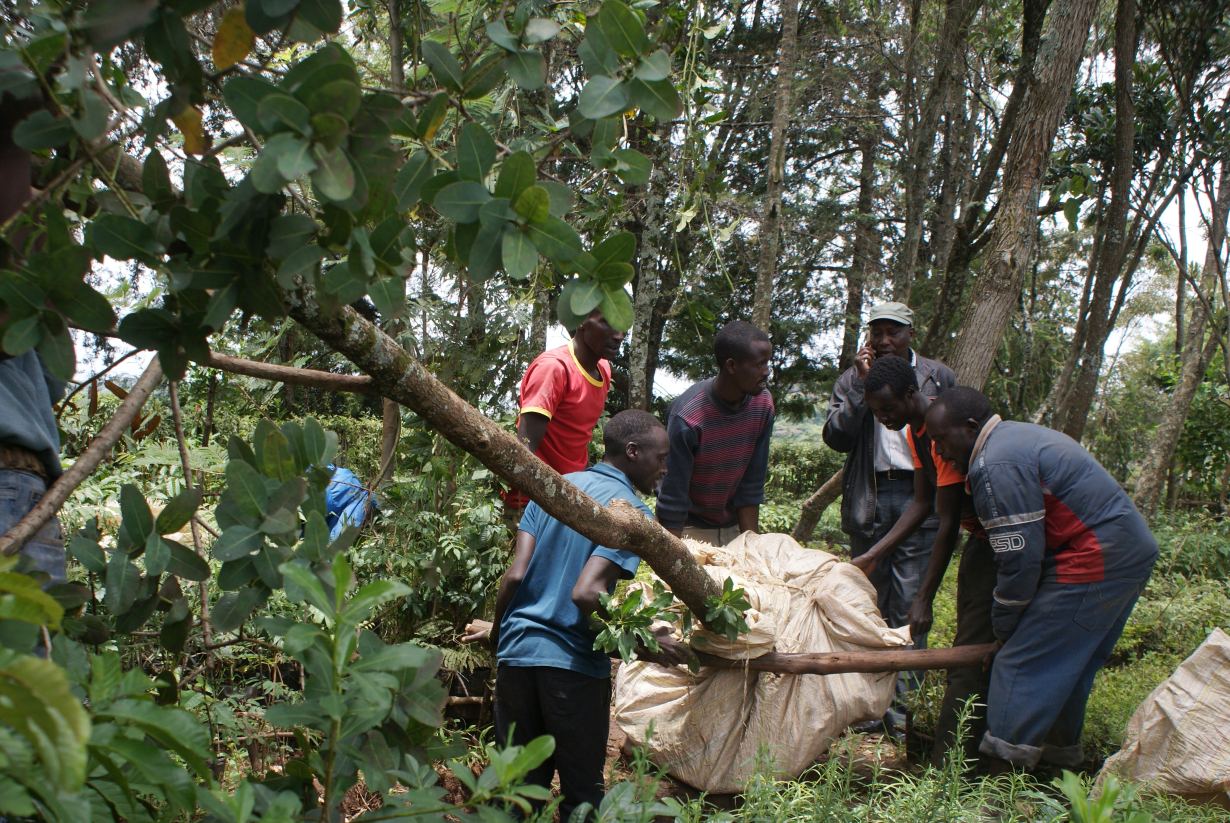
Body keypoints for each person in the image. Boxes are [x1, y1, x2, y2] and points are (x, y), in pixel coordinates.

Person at [925, 387, 1158, 771]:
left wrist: (1004, 629)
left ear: (969, 428)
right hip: (1123, 552)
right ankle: (1058, 771)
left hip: (1096, 556)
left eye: (941, 440)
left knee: (1019, 662)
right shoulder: (1012, 439)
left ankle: (1000, 782)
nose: (941, 452)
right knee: (1068, 664)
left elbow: (1018, 562)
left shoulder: (993, 465)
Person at [474, 410, 688, 819]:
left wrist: (500, 636)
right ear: (632, 452)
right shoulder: (631, 514)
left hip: (517, 659)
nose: (665, 467)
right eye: (660, 458)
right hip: (571, 668)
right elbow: (586, 593)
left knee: (515, 792)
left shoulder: (556, 489)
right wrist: (645, 640)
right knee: (581, 795)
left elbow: (515, 576)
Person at [822, 301, 955, 733]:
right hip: (872, 496)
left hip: (925, 497)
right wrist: (862, 389)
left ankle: (902, 716)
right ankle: (867, 709)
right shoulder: (851, 379)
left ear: (910, 334)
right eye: (876, 332)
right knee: (868, 603)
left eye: (892, 332)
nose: (883, 341)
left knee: (910, 603)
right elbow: (836, 438)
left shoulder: (938, 376)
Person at [860, 355, 995, 764]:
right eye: (876, 412)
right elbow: (921, 503)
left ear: (909, 394)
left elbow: (947, 520)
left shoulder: (940, 430)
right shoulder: (916, 433)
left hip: (992, 536)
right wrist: (874, 553)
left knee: (975, 640)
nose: (883, 418)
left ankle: (958, 753)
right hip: (979, 534)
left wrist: (924, 596)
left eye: (887, 409)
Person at [656, 321, 775, 546]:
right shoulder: (688, 416)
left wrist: (752, 548)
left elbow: (752, 482)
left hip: (732, 526)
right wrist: (672, 558)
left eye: (767, 362)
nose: (766, 371)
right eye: (760, 364)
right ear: (731, 365)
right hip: (690, 529)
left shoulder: (763, 405)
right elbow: (673, 497)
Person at [503, 310, 625, 510]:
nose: (618, 335)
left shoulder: (603, 369)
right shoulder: (553, 369)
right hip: (532, 504)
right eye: (607, 322)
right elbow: (524, 450)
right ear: (581, 322)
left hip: (571, 498)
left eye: (622, 325)